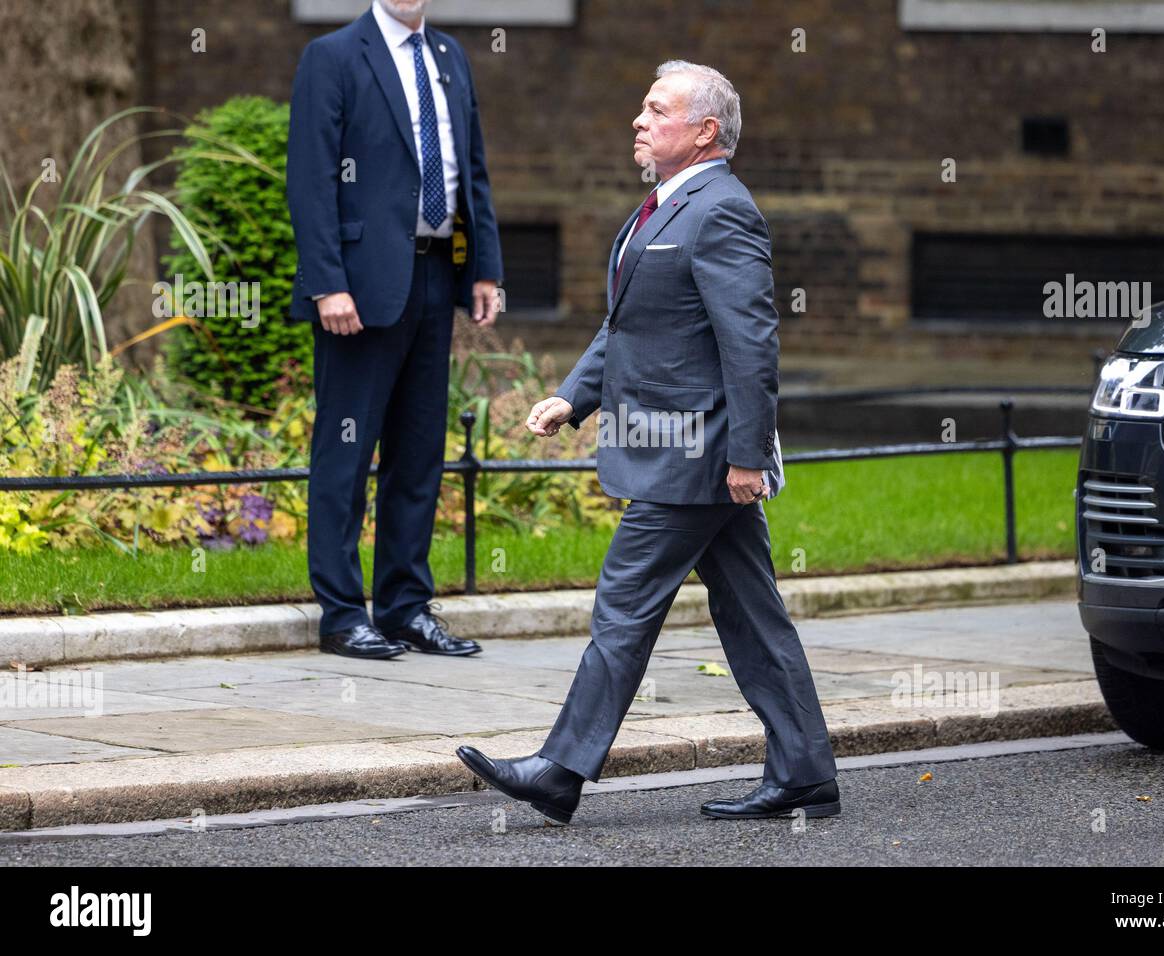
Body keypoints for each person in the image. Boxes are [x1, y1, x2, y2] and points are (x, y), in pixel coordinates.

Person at [456, 61, 839, 824]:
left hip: (693, 456)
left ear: (704, 131)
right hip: (682, 453)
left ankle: (559, 770)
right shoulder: (667, 207)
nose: (639, 119)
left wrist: (745, 455)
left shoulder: (721, 210)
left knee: (622, 608)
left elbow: (751, 345)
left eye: (656, 109)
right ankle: (805, 773)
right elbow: (630, 326)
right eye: (641, 107)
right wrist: (572, 395)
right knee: (753, 617)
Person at [286, 0, 502, 660]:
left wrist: (485, 269)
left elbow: (472, 172)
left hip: (438, 278)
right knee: (345, 455)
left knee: (418, 455)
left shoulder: (449, 58)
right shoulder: (332, 56)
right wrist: (328, 282)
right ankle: (343, 614)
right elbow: (310, 178)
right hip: (359, 286)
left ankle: (406, 607)